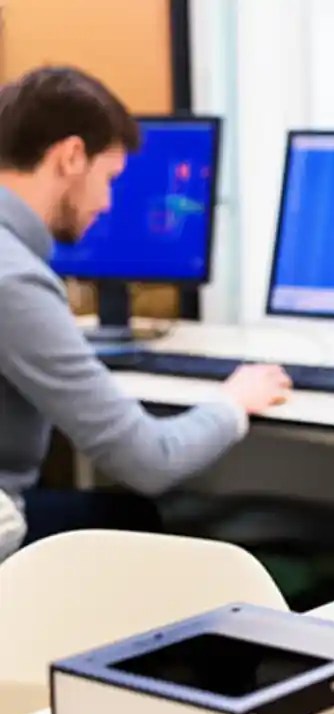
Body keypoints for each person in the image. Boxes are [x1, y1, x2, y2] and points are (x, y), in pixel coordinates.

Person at [0, 65, 292, 560]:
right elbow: (149, 462)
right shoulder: (14, 279)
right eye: (110, 177)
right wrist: (233, 403)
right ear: (71, 156)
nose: (109, 201)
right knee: (144, 518)